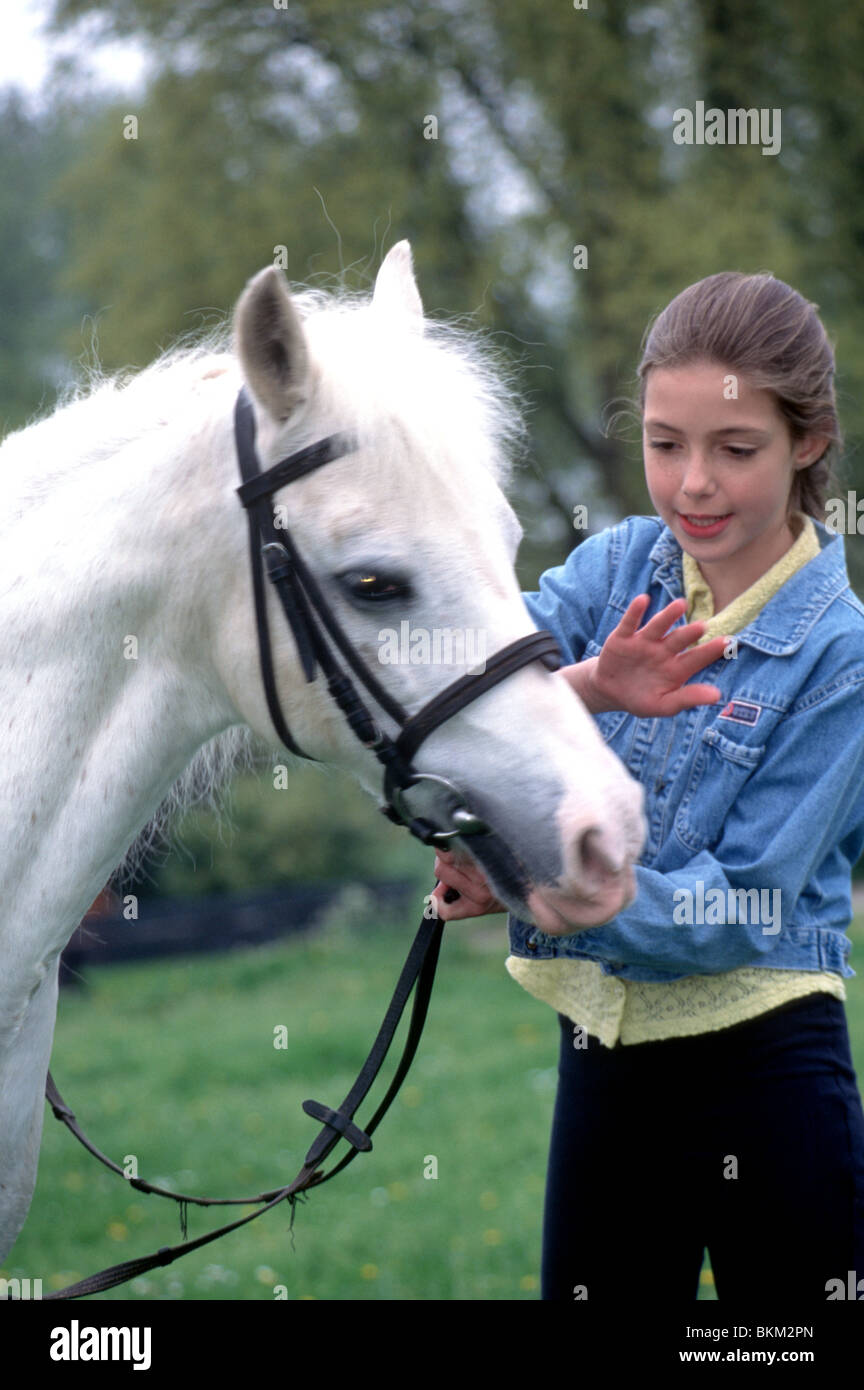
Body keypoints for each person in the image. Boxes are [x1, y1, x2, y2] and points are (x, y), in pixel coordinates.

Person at [431, 271, 864, 1303]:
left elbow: (743, 899)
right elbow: (464, 703)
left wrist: (552, 882)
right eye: (665, 444)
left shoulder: (840, 655)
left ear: (807, 443)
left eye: (735, 448)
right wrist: (584, 686)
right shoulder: (614, 565)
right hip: (605, 1060)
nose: (694, 484)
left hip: (768, 1075)